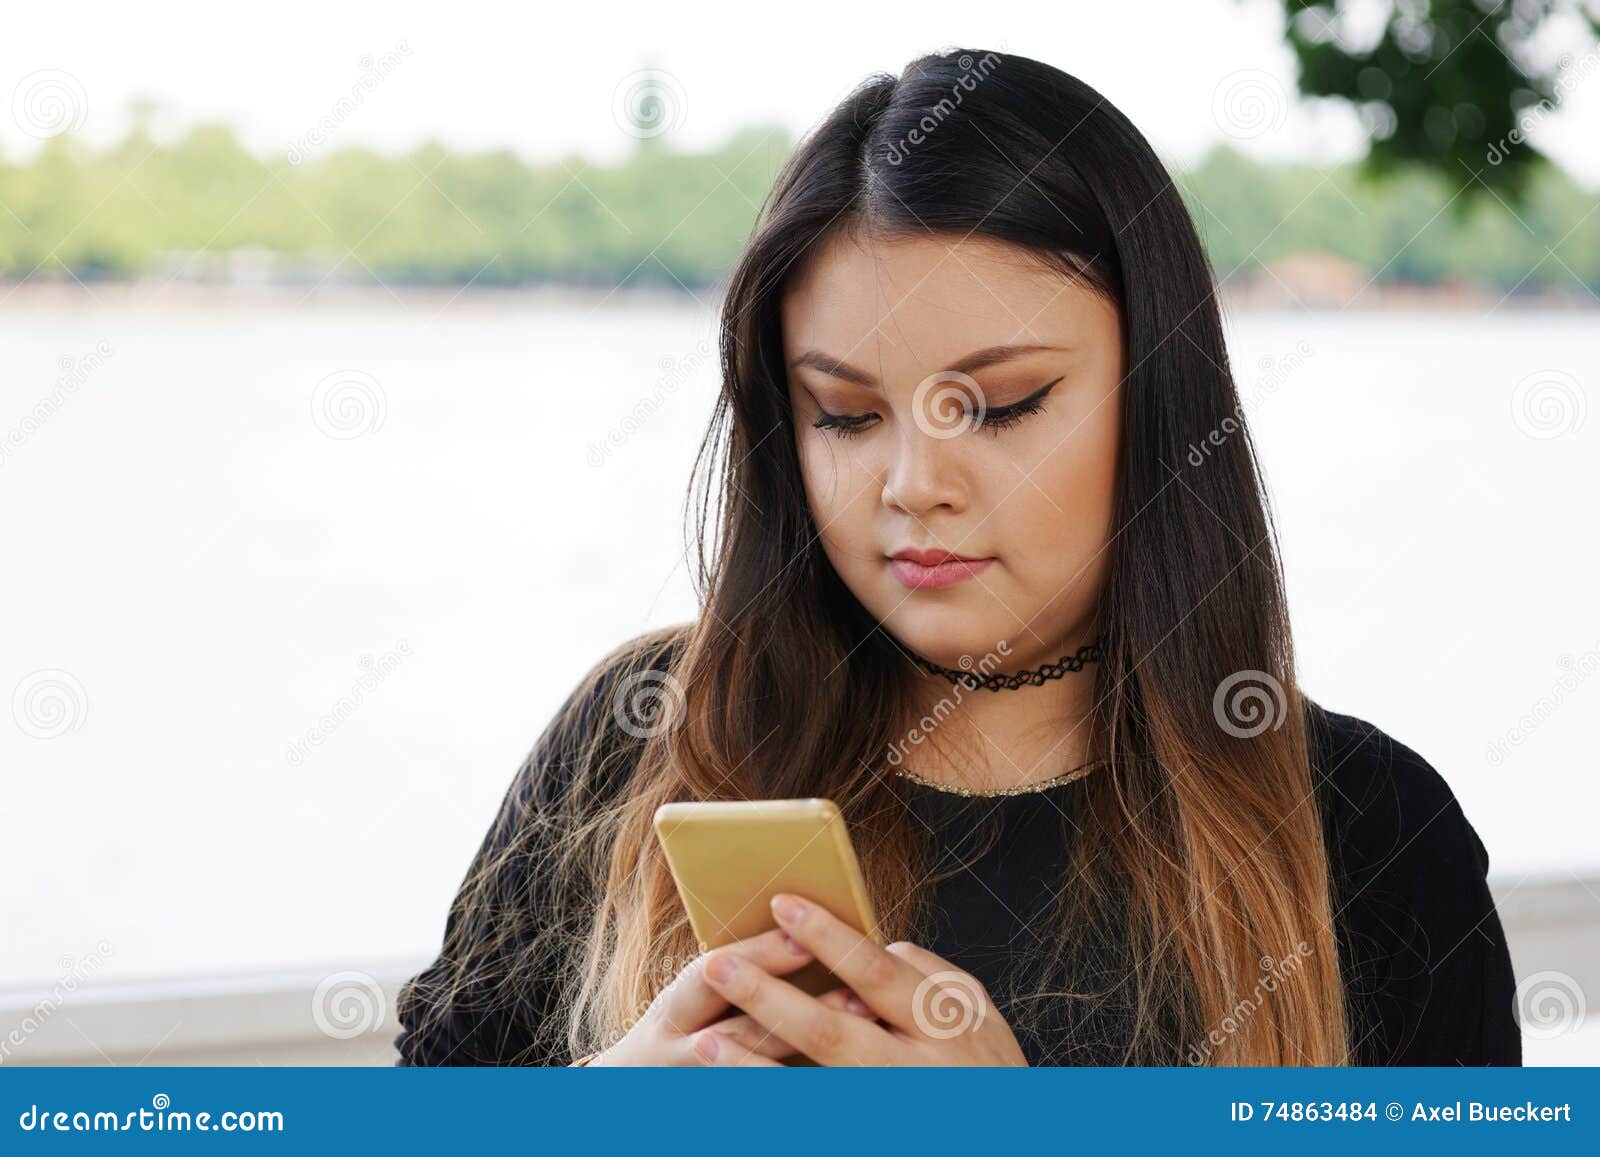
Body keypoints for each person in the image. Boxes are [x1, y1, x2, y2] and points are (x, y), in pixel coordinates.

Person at [395, 47, 1520, 1067]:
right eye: (842, 414)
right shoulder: (637, 736)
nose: (912, 484)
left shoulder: (1373, 835)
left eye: (998, 405)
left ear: (1159, 400)